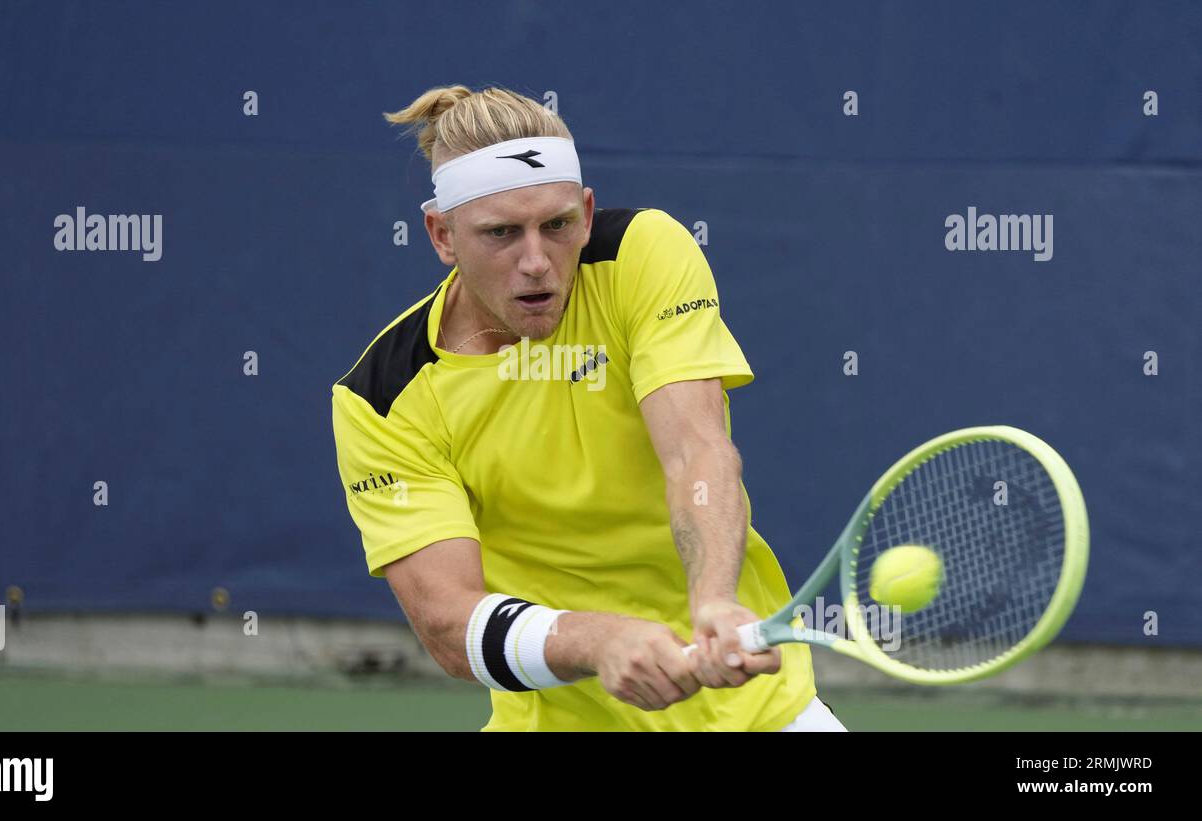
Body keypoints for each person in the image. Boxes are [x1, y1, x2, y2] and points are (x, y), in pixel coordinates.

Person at [331, 84, 845, 731]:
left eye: (558, 224)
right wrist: (598, 640)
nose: (537, 263)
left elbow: (696, 449)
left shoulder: (641, 254)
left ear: (587, 209)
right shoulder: (383, 396)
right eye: (501, 233)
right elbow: (446, 619)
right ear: (442, 235)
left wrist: (711, 600)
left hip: (759, 715)